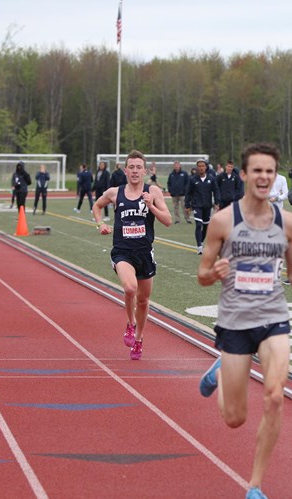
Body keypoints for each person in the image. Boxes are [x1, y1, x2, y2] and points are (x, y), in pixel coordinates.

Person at [197, 142, 292, 499]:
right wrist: (213, 273)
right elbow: (202, 274)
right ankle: (220, 371)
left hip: (272, 319)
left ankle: (255, 486)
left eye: (270, 171)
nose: (264, 177)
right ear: (245, 175)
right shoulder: (223, 221)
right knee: (235, 419)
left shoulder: (289, 223)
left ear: (275, 176)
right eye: (257, 171)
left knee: (276, 396)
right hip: (235, 323)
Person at [93, 150, 172, 360]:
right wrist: (100, 223)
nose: (135, 171)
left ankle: (138, 339)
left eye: (139, 167)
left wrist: (151, 206)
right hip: (122, 252)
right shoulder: (114, 192)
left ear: (144, 171)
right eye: (132, 167)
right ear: (126, 170)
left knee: (144, 301)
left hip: (145, 253)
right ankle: (130, 323)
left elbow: (168, 220)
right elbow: (97, 206)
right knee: (130, 288)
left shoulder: (153, 191)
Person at [185, 159, 220, 254]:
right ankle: (199, 246)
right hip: (197, 206)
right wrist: (187, 205)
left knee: (206, 226)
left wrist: (217, 202)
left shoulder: (211, 179)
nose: (201, 168)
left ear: (206, 167)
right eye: (199, 166)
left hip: (207, 206)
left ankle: (201, 241)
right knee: (198, 225)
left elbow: (216, 191)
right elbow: (188, 193)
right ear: (197, 168)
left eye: (203, 166)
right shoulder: (193, 179)